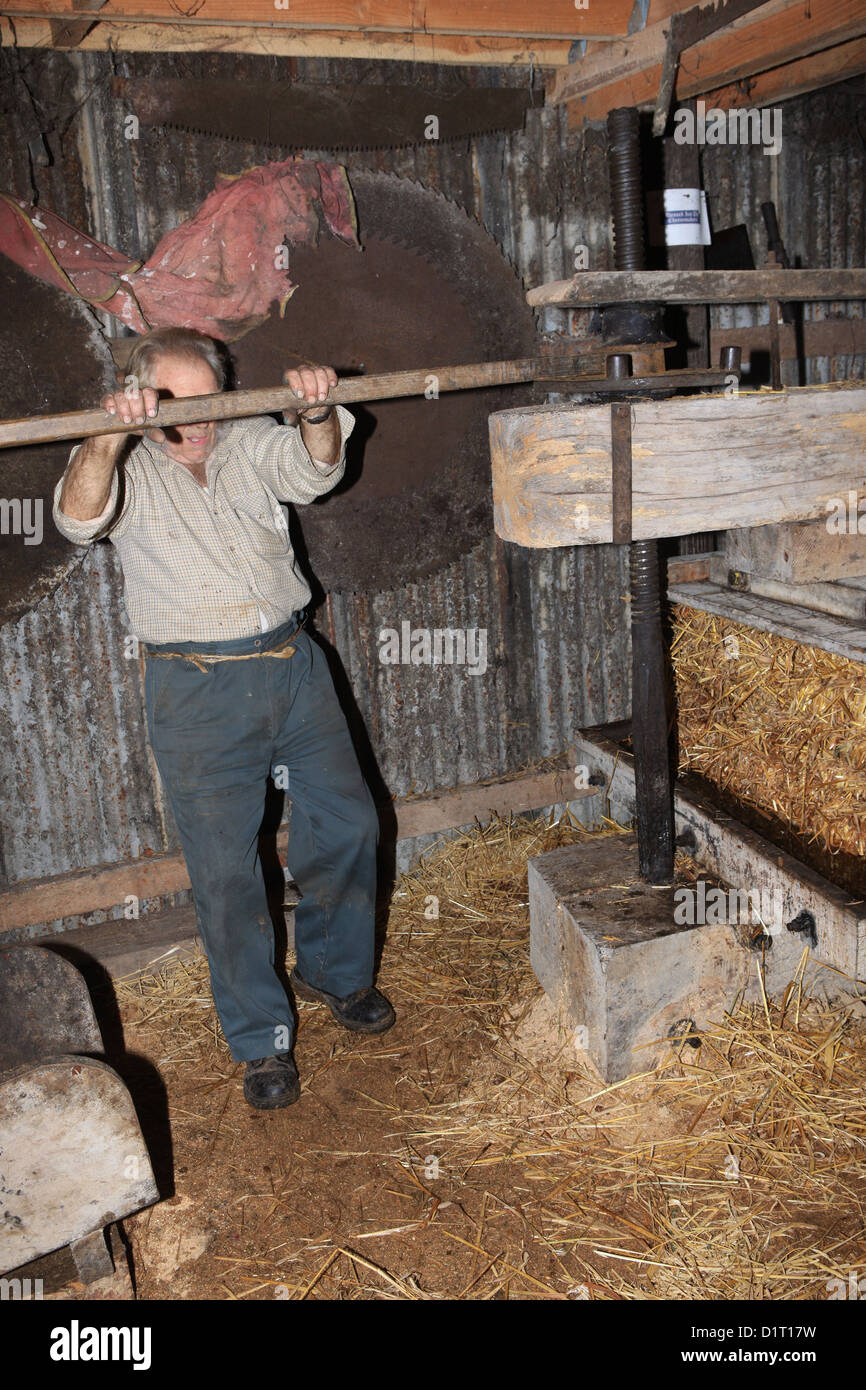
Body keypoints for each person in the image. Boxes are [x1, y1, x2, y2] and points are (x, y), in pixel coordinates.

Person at [53, 326, 394, 1111]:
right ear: (139, 402)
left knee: (349, 826)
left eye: (205, 398)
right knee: (226, 874)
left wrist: (313, 409)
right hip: (196, 691)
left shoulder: (247, 440)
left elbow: (315, 473)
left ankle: (334, 975)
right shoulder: (125, 466)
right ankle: (261, 1043)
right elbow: (77, 517)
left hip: (293, 666)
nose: (195, 417)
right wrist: (106, 435)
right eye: (171, 401)